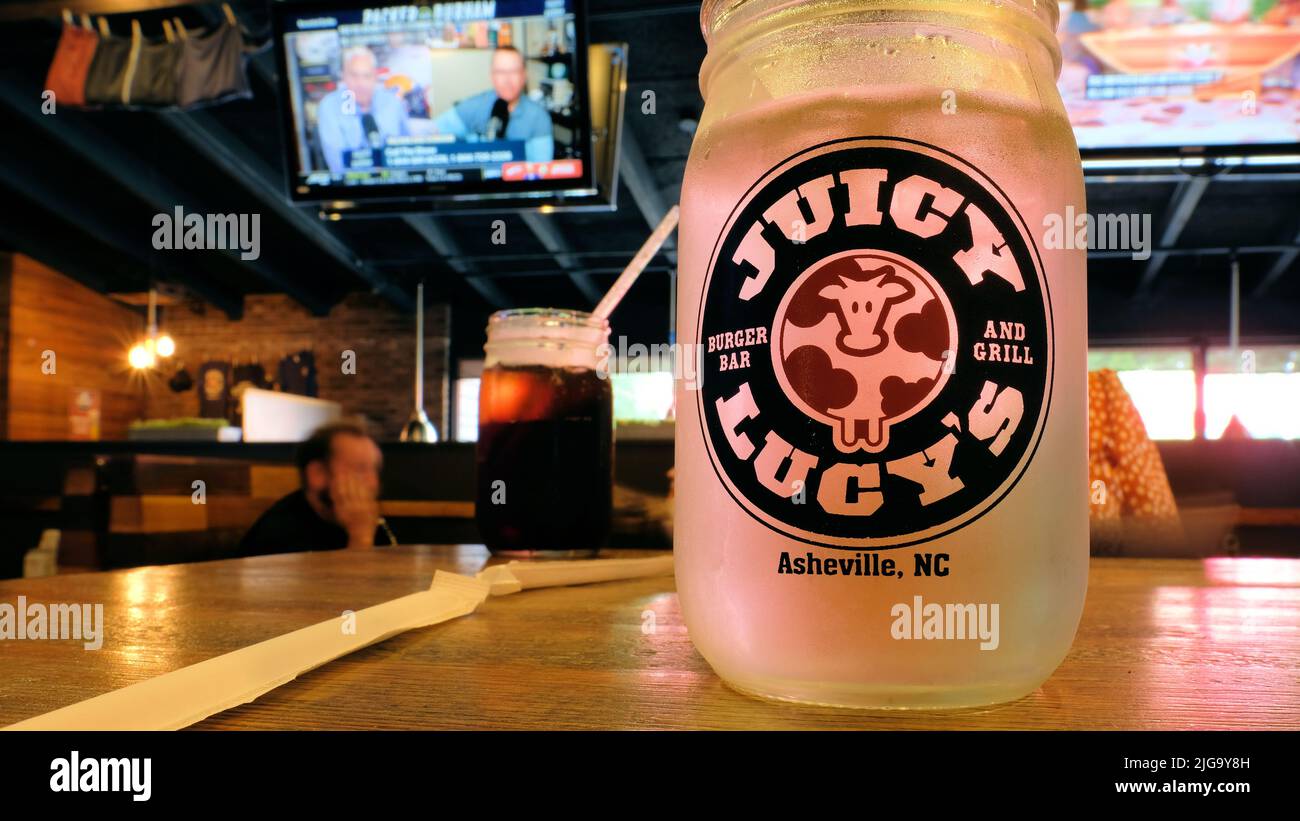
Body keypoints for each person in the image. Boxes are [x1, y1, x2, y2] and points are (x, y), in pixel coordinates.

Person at [240, 420, 394, 556]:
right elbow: (347, 588)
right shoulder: (279, 534)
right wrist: (361, 538)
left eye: (375, 470)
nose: (373, 482)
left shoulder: (365, 523)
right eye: (360, 469)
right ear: (317, 474)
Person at [432, 45, 554, 162]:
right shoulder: (473, 107)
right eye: (501, 72)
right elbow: (431, 132)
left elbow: (541, 169)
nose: (507, 80)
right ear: (492, 76)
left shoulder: (539, 117)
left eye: (514, 71)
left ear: (524, 76)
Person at [316, 46, 410, 174]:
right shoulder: (329, 106)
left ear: (375, 77)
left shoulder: (392, 103)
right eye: (354, 75)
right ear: (343, 76)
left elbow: (407, 150)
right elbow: (338, 164)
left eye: (367, 76)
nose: (360, 83)